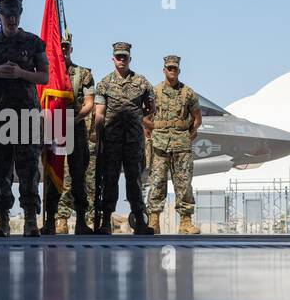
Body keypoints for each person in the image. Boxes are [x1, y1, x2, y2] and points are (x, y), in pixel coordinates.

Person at [0, 0, 49, 237]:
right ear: (0, 16)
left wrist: (21, 73)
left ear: (20, 15)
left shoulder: (34, 43)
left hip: (27, 114)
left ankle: (30, 221)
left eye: (15, 15)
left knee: (28, 169)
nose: (11, 20)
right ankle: (2, 221)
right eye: (7, 16)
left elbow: (44, 77)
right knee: (0, 167)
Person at [93, 42, 155, 235]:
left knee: (134, 180)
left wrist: (136, 118)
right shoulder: (104, 84)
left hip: (133, 141)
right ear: (113, 58)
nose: (121, 60)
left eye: (124, 57)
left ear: (130, 59)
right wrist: (98, 137)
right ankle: (105, 223)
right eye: (118, 56)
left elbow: (151, 108)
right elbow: (100, 113)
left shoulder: (142, 83)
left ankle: (140, 221)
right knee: (109, 180)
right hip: (111, 140)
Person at [147, 54, 202, 235]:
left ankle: (186, 222)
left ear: (179, 70)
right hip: (160, 145)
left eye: (175, 68)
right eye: (169, 68)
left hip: (182, 146)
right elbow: (144, 117)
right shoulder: (154, 92)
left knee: (184, 184)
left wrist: (188, 136)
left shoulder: (188, 93)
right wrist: (153, 130)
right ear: (164, 70)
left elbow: (197, 119)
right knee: (157, 182)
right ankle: (154, 221)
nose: (172, 71)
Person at [54, 32, 96, 234]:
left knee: (78, 175)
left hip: (76, 128)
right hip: (54, 128)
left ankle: (80, 220)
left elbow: (89, 104)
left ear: (71, 49)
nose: (63, 50)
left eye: (66, 47)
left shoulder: (83, 74)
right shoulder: (49, 73)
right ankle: (55, 220)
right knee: (54, 173)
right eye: (60, 47)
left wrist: (75, 119)